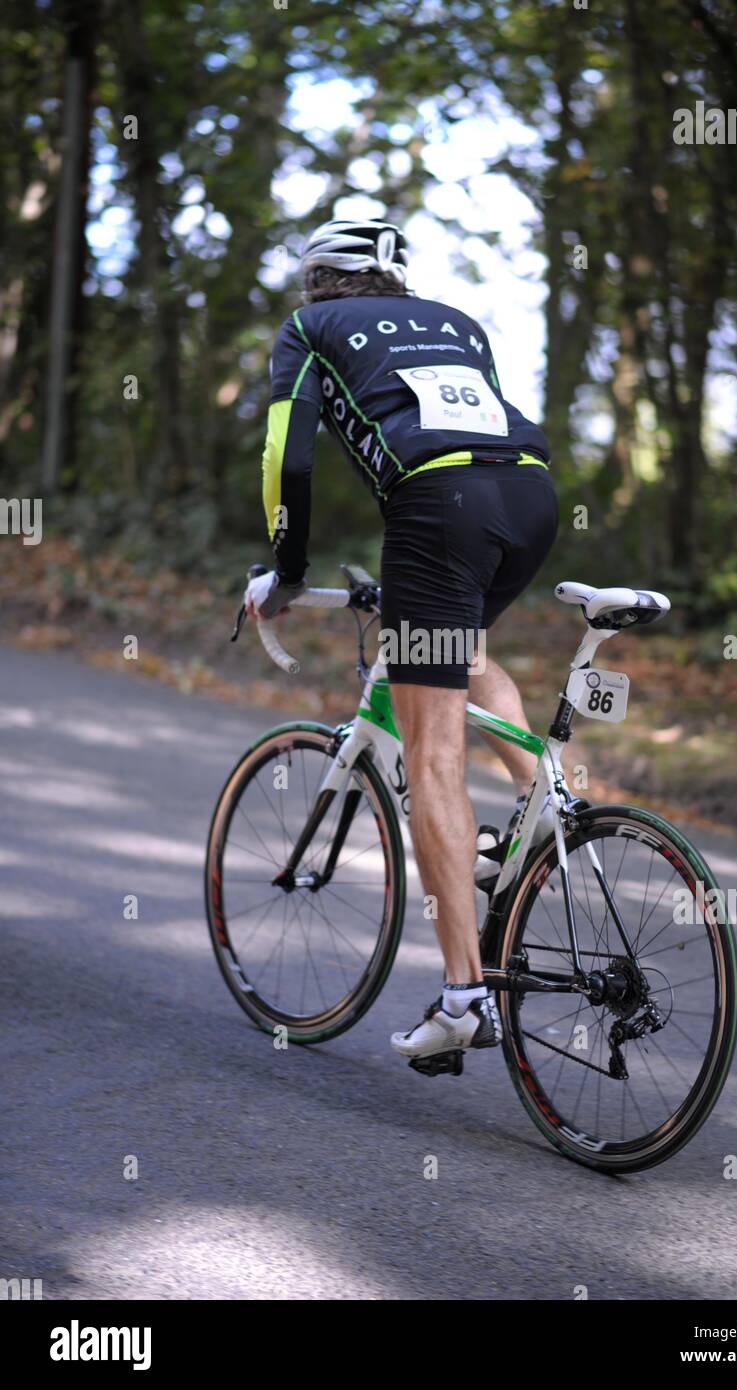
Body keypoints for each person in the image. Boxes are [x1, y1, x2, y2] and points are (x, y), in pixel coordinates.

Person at [245, 218, 558, 1063]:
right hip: (531, 499)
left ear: (317, 282)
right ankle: (546, 813)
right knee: (463, 658)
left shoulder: (309, 329)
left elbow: (289, 456)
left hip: (436, 512)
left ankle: (462, 1000)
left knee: (431, 757)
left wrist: (284, 568)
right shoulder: (457, 321)